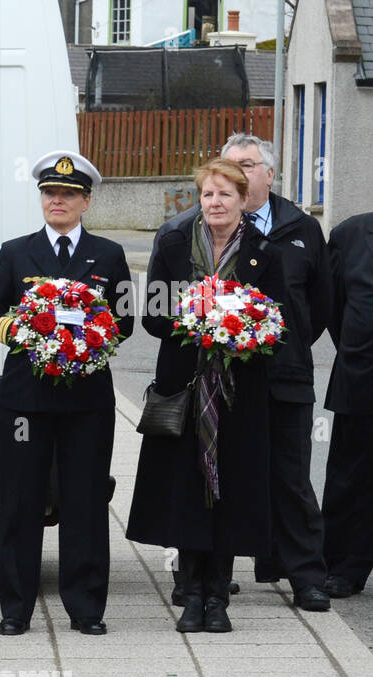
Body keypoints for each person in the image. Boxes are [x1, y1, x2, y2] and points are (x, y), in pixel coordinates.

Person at [158, 135, 331, 612]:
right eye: (227, 169)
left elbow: (319, 304)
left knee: (290, 478)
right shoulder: (179, 234)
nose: (235, 176)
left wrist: (274, 339)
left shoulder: (299, 228)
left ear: (267, 174)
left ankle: (304, 575)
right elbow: (157, 308)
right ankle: (209, 576)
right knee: (214, 473)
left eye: (248, 166)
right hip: (211, 383)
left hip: (284, 373)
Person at [127, 159, 296, 633]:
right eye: (207, 195)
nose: (215, 203)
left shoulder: (266, 253)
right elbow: (154, 319)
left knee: (230, 492)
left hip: (239, 394)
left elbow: (279, 326)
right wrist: (196, 316)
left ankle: (218, 597)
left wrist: (238, 327)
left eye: (225, 195)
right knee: (187, 490)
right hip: (185, 388)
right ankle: (191, 594)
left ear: (244, 199)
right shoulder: (175, 244)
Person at [0, 151, 133, 636]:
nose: (56, 200)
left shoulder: (107, 255)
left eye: (67, 194)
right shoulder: (16, 252)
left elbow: (123, 319)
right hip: (27, 399)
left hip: (86, 400)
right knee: (21, 502)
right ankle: (15, 608)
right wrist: (27, 336)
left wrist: (89, 342)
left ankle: (86, 607)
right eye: (49, 193)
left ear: (86, 201)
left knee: (84, 501)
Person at [321, 210, 373, 599]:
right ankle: (342, 565)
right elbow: (334, 309)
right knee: (349, 479)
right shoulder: (350, 234)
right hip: (361, 378)